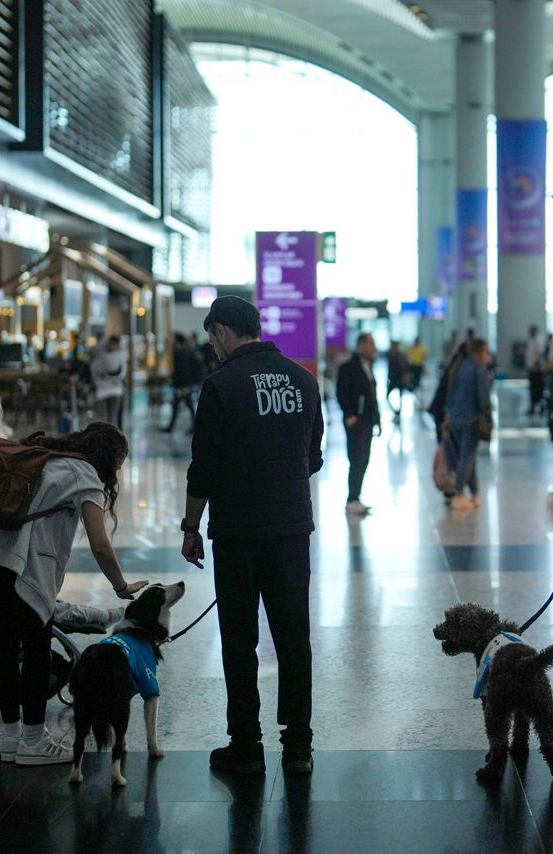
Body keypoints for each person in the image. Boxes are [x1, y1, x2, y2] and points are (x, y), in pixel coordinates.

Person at [179, 295, 324, 777]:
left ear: (222, 331)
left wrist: (190, 526)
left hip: (238, 534)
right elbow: (314, 457)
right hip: (290, 531)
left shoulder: (221, 386)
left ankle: (246, 744)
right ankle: (299, 746)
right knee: (293, 639)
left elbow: (204, 468)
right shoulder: (304, 381)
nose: (213, 348)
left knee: (240, 639)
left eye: (211, 338)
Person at [0, 422, 148, 765]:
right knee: (37, 646)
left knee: (8, 645)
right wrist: (121, 586)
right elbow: (100, 545)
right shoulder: (86, 476)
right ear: (108, 462)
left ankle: (13, 740)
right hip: (14, 565)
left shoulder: (50, 457)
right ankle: (34, 741)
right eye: (118, 466)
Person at [443, 338, 492, 509]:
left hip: (456, 419)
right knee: (466, 457)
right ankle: (458, 493)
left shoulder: (459, 367)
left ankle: (475, 493)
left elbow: (449, 395)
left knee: (469, 458)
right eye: (486, 351)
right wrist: (487, 414)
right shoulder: (478, 370)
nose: (488, 355)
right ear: (479, 352)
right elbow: (483, 398)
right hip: (471, 420)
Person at [337, 333, 380, 516]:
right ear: (361, 345)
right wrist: (350, 415)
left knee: (364, 459)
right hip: (356, 422)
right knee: (356, 458)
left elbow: (372, 396)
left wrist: (377, 420)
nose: (374, 348)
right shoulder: (348, 368)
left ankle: (356, 496)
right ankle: (352, 498)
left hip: (367, 421)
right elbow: (342, 393)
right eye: (371, 344)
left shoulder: (368, 366)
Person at [163, 333, 204, 433]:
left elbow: (184, 371)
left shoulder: (182, 353)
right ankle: (173, 427)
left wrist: (184, 386)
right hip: (183, 385)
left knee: (185, 405)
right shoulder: (184, 352)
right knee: (181, 405)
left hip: (183, 385)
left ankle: (193, 426)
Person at [90, 336, 127, 428]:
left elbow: (122, 373)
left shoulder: (121, 355)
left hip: (116, 388)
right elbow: (95, 370)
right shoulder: (100, 355)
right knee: (103, 414)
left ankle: (113, 432)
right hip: (102, 388)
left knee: (113, 412)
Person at [385, 340, 409, 420]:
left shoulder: (401, 356)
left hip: (399, 379)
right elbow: (389, 369)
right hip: (392, 379)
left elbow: (405, 368)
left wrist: (405, 378)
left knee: (400, 397)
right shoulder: (390, 355)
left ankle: (398, 413)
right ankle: (396, 411)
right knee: (387, 396)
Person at [525, 325, 546, 417]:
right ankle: (533, 407)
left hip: (536, 370)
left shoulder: (537, 341)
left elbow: (540, 353)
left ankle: (540, 408)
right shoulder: (532, 341)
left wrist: (536, 365)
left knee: (537, 390)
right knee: (533, 390)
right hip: (532, 369)